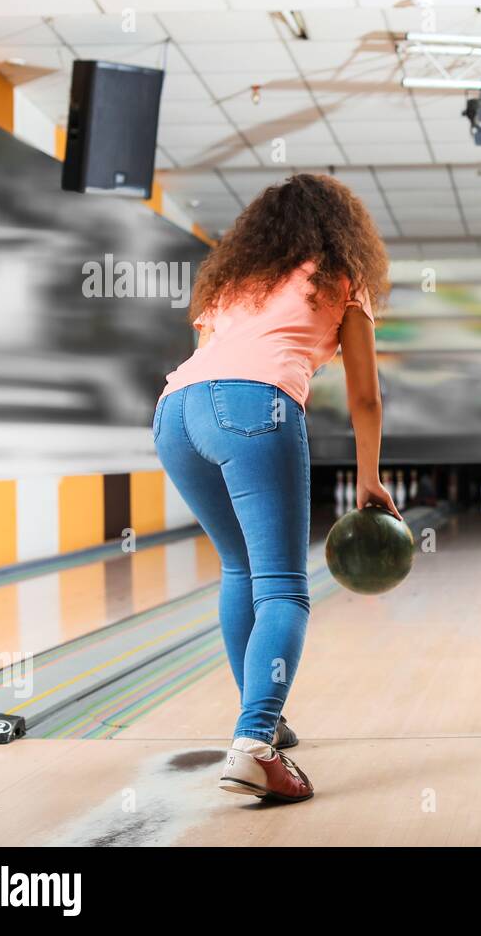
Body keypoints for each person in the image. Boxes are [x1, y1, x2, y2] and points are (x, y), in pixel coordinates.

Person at [153, 174, 398, 803]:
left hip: (175, 412)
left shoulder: (236, 280)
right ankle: (254, 746)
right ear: (343, 228)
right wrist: (369, 477)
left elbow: (208, 364)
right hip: (257, 406)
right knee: (285, 587)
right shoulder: (340, 276)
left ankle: (262, 719)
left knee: (240, 570)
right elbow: (366, 396)